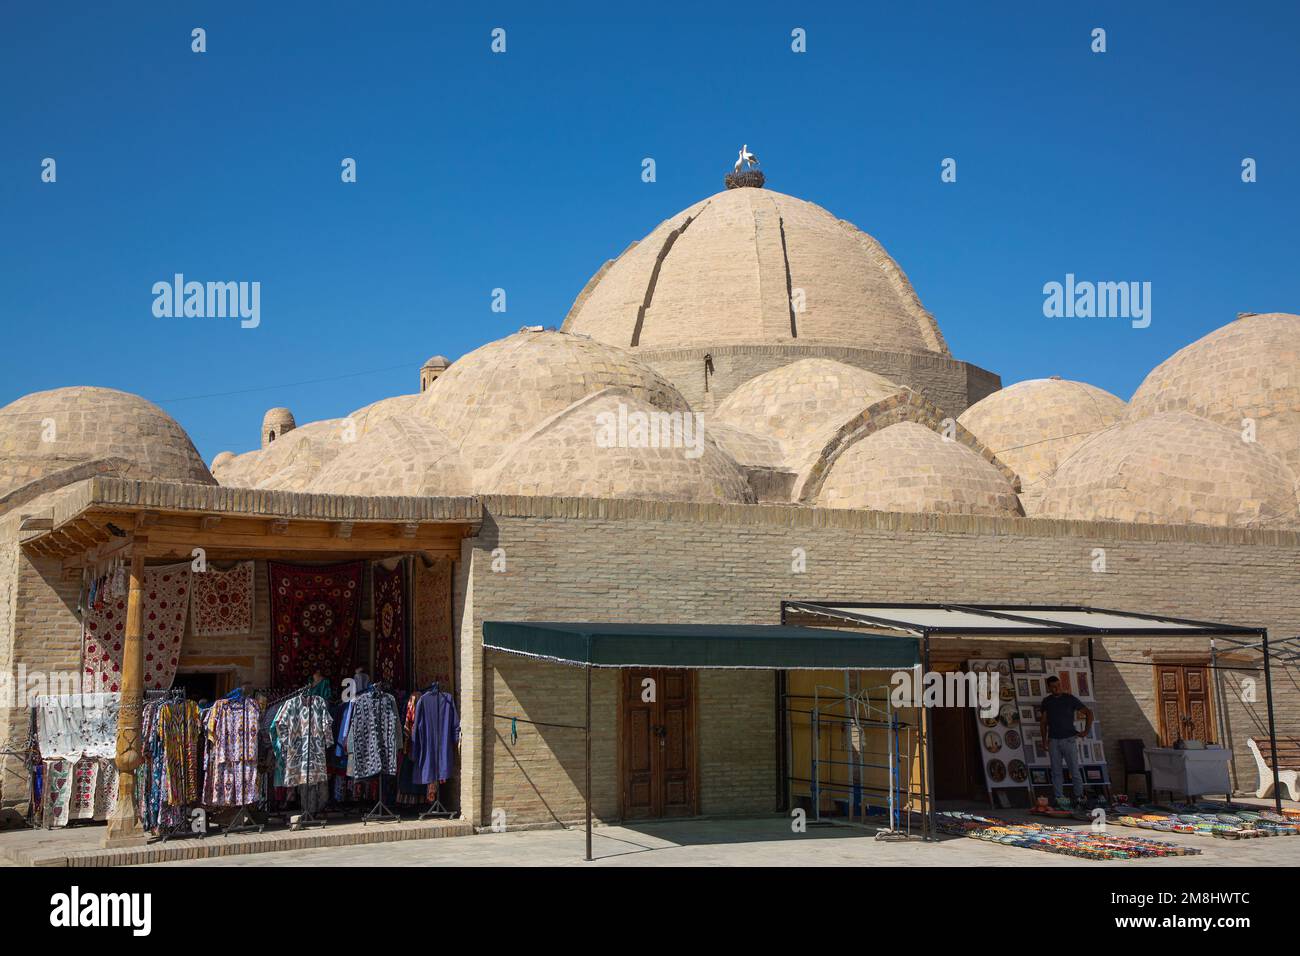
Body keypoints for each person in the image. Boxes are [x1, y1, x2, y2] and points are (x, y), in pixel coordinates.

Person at [1039, 675, 1093, 806]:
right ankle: (1059, 798)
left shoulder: (1069, 699)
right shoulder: (1046, 701)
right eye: (1053, 686)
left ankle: (1079, 797)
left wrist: (1086, 731)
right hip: (1053, 741)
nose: (1057, 688)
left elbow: (1088, 712)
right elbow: (1043, 722)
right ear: (1049, 688)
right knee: (1056, 771)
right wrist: (1044, 740)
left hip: (1069, 739)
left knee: (1074, 770)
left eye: (1058, 685)